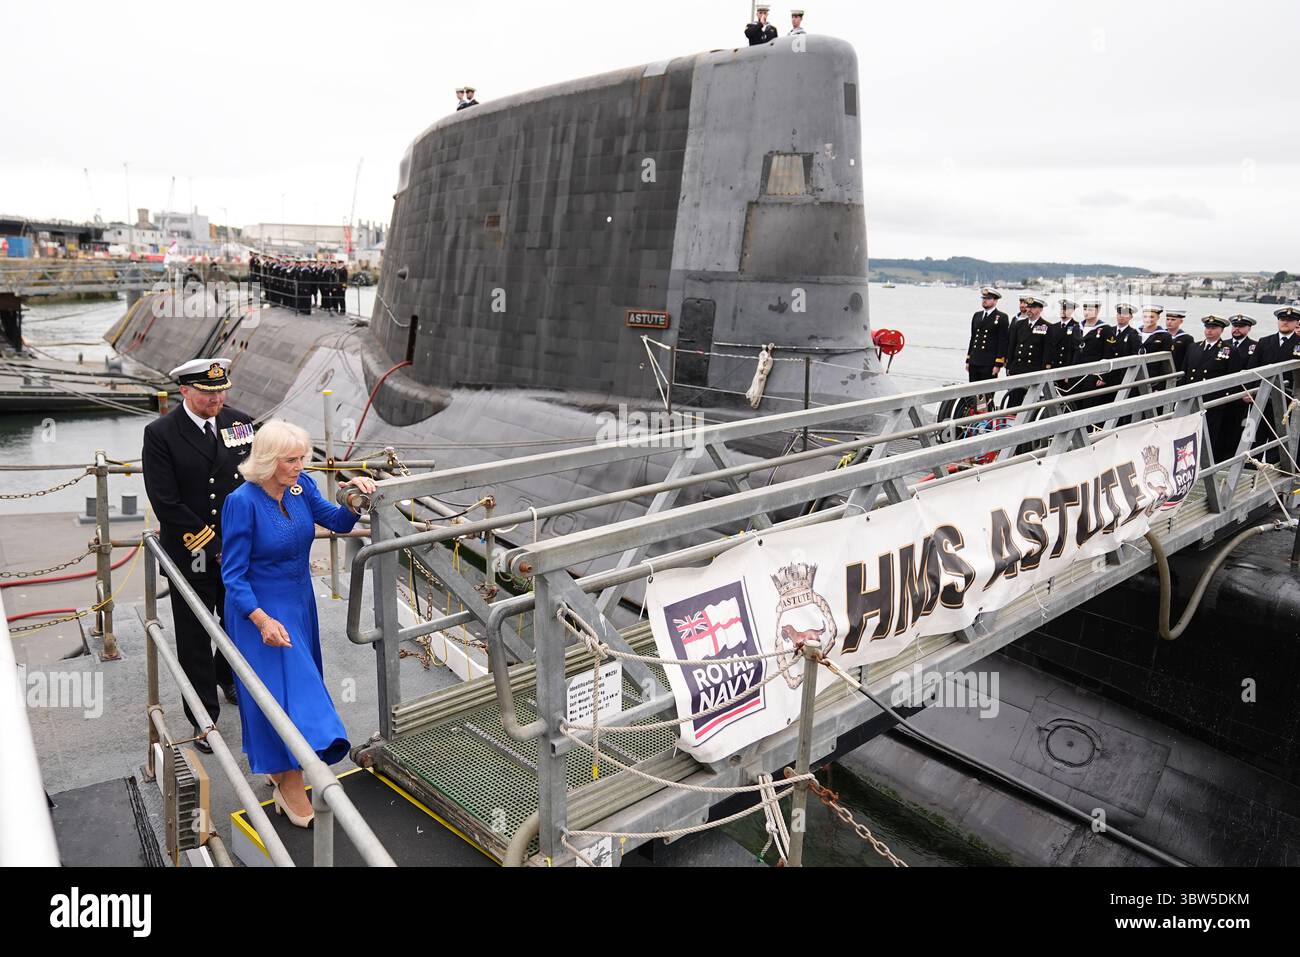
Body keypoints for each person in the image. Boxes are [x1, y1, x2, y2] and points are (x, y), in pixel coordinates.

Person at [220, 420, 376, 827]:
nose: (300, 465)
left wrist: (356, 493)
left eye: (303, 457)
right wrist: (260, 619)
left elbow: (338, 523)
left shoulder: (301, 486)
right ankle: (292, 778)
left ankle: (286, 769)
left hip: (300, 602)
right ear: (269, 460)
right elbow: (233, 575)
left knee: (295, 688)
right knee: (287, 693)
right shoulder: (242, 501)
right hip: (261, 611)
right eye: (291, 459)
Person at [142, 358, 254, 753]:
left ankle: (226, 676)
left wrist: (240, 541)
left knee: (237, 622)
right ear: (185, 391)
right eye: (208, 393)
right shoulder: (160, 434)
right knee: (193, 635)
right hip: (192, 551)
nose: (217, 398)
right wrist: (214, 545)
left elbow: (253, 479)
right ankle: (203, 717)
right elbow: (165, 501)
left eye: (221, 390)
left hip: (238, 549)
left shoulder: (239, 423)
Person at [1181, 316, 1235, 462]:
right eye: (1207, 327)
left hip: (1212, 399)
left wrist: (1225, 398)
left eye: (1213, 328)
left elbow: (1232, 376)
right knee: (1187, 431)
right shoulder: (1194, 347)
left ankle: (1205, 462)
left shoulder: (1228, 350)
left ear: (1221, 330)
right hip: (1191, 396)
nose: (1209, 331)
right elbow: (1185, 372)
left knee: (1209, 434)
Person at [1004, 295, 1054, 410]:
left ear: (1040, 309)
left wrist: (1044, 370)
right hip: (1017, 369)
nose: (1029, 310)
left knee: (1029, 404)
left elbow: (1047, 351)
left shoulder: (1046, 326)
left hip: (1033, 369)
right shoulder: (1019, 325)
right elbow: (1012, 346)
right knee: (1013, 401)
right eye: (1028, 307)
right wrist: (1009, 367)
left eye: (1033, 307)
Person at [965, 286, 1009, 386]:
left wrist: (998, 364)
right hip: (975, 360)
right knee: (973, 392)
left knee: (987, 394)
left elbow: (1002, 341)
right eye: (984, 298)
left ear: (995, 301)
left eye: (988, 299)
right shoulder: (977, 315)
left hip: (989, 362)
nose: (985, 301)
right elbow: (973, 338)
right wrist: (968, 359)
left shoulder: (1001, 317)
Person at [1136, 305, 1173, 388]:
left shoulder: (1164, 336)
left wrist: (1160, 385)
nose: (1148, 319)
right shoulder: (1134, 333)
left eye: (1151, 317)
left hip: (1153, 379)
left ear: (1158, 318)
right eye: (1145, 316)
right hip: (1133, 376)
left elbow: (1165, 363)